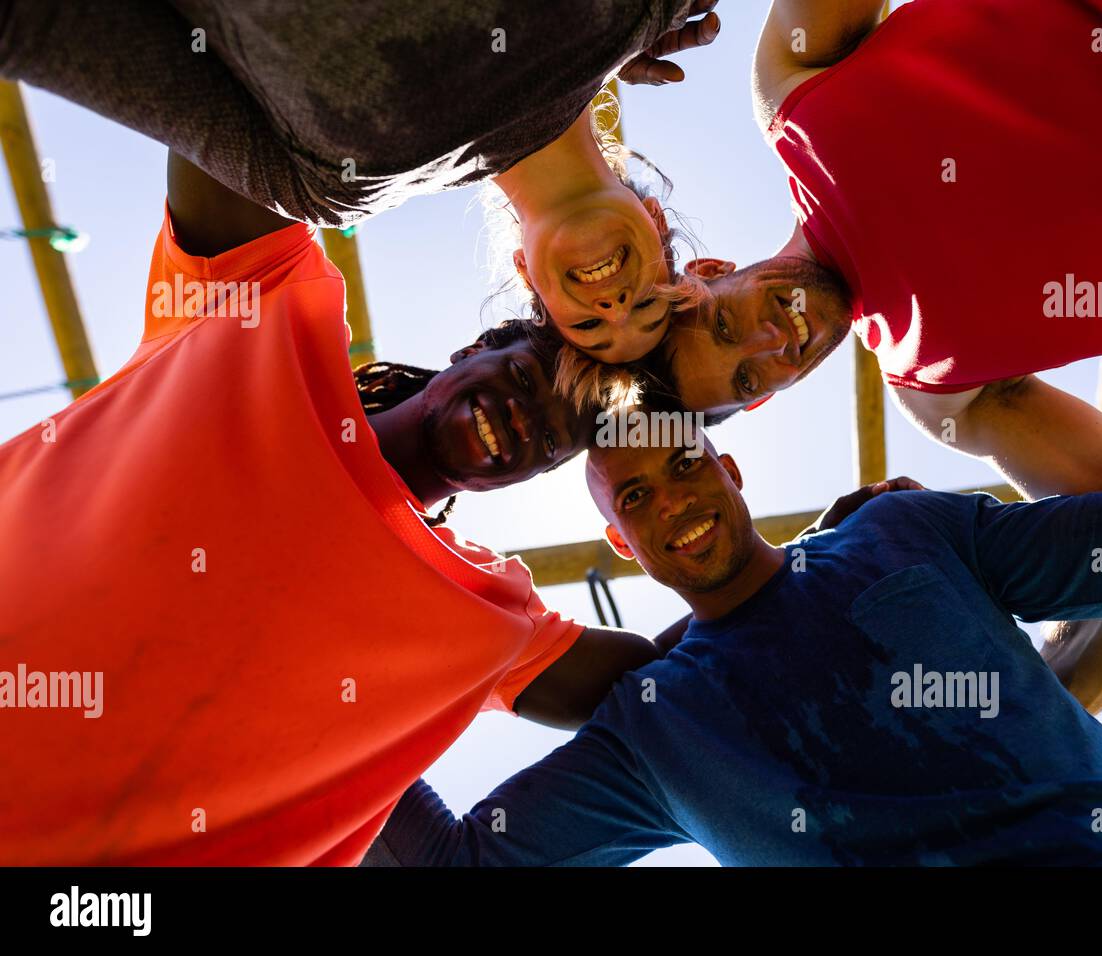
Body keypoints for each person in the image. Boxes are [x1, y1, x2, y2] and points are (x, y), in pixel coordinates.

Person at [0, 152, 668, 865]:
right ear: (473, 349)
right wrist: (559, 186)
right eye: (527, 376)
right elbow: (231, 128)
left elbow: (663, 683)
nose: (523, 417)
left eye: (554, 438)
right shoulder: (267, 304)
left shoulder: (486, 620)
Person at [364, 366, 1102, 865]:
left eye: (685, 466)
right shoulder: (652, 728)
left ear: (730, 470)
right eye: (637, 497)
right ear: (620, 542)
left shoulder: (901, 532)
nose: (676, 502)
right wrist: (326, 678)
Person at [645, 0, 1102, 484]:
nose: (772, 342)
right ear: (763, 398)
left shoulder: (791, 92)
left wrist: (607, 31)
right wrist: (1041, 672)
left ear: (709, 267)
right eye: (751, 376)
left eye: (726, 324)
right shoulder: (939, 393)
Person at [0, 0, 721, 364]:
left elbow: (44, 25)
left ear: (527, 276)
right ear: (658, 227)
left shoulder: (326, 186)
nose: (616, 303)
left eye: (590, 325)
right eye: (651, 307)